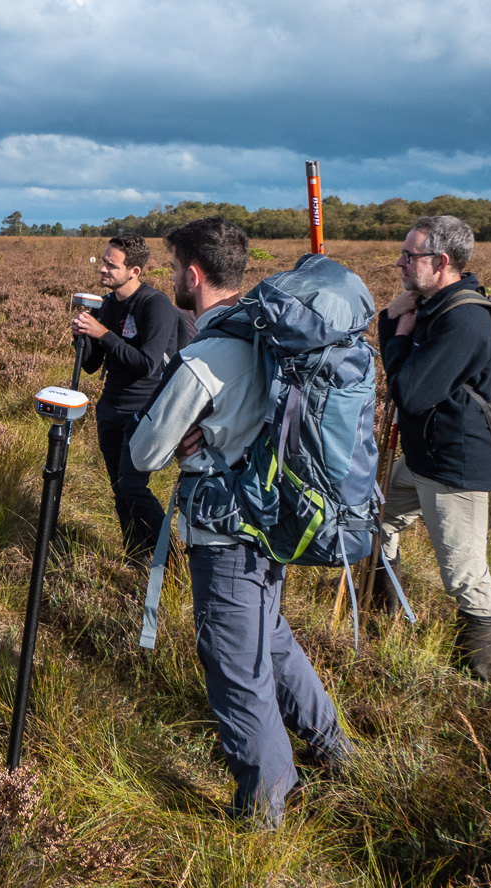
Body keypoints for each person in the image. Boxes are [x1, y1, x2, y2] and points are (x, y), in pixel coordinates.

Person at [127, 218, 351, 827]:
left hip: (224, 537)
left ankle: (264, 803)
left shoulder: (205, 356)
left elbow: (144, 454)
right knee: (269, 637)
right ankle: (334, 750)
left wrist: (180, 438)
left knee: (234, 666)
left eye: (174, 269)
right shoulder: (271, 341)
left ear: (193, 274)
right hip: (273, 523)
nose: (173, 278)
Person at [377, 215, 491, 679]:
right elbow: (401, 369)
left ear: (442, 261)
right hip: (421, 455)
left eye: (410, 256)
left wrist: (401, 332)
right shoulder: (433, 305)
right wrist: (392, 321)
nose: (400, 263)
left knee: (464, 576)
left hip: (455, 466)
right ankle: (381, 616)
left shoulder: (465, 321)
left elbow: (408, 390)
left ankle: (474, 680)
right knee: (376, 521)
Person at [71, 233, 191, 564]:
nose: (104, 269)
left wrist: (103, 334)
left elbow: (147, 364)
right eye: (103, 261)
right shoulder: (108, 304)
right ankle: (137, 556)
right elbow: (94, 366)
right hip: (110, 407)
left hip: (145, 411)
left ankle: (170, 562)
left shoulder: (156, 305)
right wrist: (83, 337)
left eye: (112, 264)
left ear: (134, 271)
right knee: (119, 488)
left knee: (133, 488)